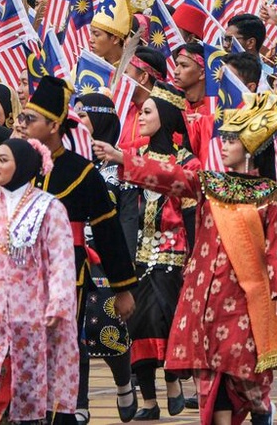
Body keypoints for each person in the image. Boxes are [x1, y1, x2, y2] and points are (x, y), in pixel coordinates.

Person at [116, 92, 277, 425]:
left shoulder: (269, 196)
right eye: (225, 139)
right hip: (203, 299)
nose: (224, 145)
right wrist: (125, 159)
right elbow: (172, 177)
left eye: (232, 140)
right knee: (211, 378)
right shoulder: (209, 184)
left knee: (243, 372)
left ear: (252, 148)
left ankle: (262, 411)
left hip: (245, 299)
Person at [13, 76, 139, 418]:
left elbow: (109, 232)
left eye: (30, 119)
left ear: (54, 125)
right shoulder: (14, 165)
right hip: (18, 271)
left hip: (68, 271)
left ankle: (68, 409)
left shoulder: (82, 172)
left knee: (62, 343)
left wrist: (123, 289)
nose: (21, 124)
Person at [0, 138, 78, 424]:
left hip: (33, 319)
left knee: (29, 395)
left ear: (23, 165)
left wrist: (58, 303)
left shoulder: (49, 207)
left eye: (3, 159)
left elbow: (61, 260)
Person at [95, 82, 196, 418]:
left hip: (173, 255)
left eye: (148, 111)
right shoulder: (133, 160)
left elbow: (182, 192)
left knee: (163, 319)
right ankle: (150, 401)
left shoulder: (187, 163)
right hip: (139, 254)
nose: (140, 117)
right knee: (136, 324)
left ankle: (172, 382)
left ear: (164, 116)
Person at [72, 93, 138, 422]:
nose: (77, 122)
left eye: (83, 116)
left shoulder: (119, 166)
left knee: (107, 329)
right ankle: (79, 402)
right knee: (75, 333)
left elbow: (125, 221)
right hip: (74, 256)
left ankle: (124, 382)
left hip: (108, 259)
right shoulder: (70, 162)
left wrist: (121, 269)